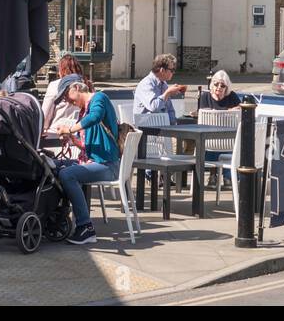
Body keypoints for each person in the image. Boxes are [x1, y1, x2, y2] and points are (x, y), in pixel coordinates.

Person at [52, 81, 122, 245]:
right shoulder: (83, 111)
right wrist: (73, 139)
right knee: (54, 166)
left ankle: (85, 227)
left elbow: (95, 117)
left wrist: (69, 130)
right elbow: (87, 146)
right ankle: (56, 217)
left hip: (107, 165)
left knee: (67, 175)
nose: (67, 101)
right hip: (93, 161)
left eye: (66, 96)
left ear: (76, 88)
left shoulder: (99, 98)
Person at [134, 53, 187, 124]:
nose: (173, 72)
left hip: (161, 126)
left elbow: (170, 109)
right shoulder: (146, 84)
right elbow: (154, 107)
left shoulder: (163, 84)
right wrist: (167, 93)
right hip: (147, 128)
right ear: (162, 70)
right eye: (171, 70)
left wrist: (174, 127)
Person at [41, 54, 86, 133]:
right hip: (80, 131)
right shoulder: (86, 84)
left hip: (57, 131)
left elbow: (46, 113)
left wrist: (43, 128)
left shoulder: (55, 85)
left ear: (62, 69)